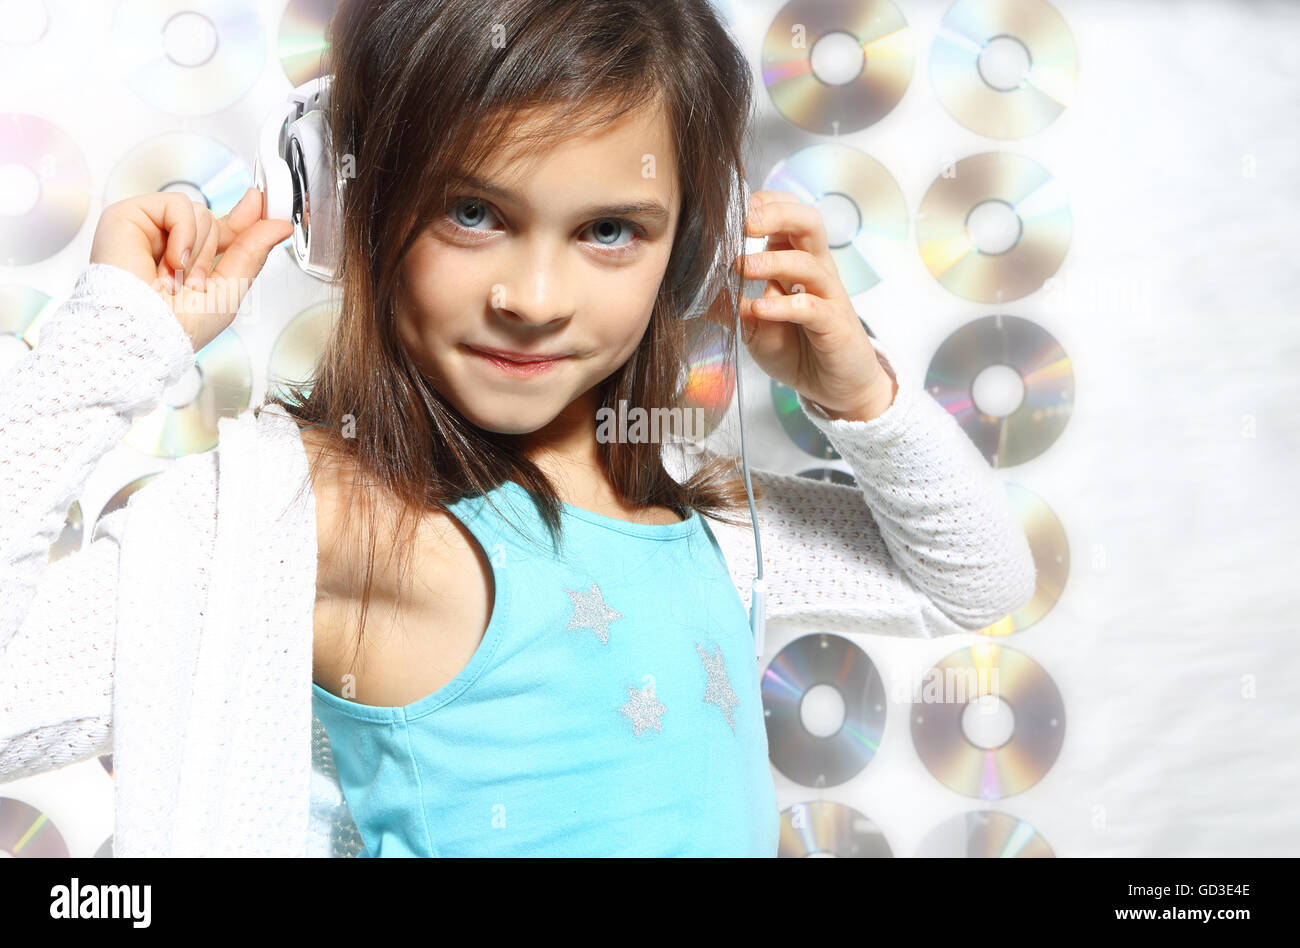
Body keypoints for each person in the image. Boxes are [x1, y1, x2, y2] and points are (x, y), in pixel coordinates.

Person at [0, 0, 1035, 857]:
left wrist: (858, 395)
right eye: (473, 213)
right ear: (348, 208)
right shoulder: (318, 518)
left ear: (700, 249)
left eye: (609, 230)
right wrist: (111, 348)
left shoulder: (712, 528)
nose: (533, 298)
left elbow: (974, 584)